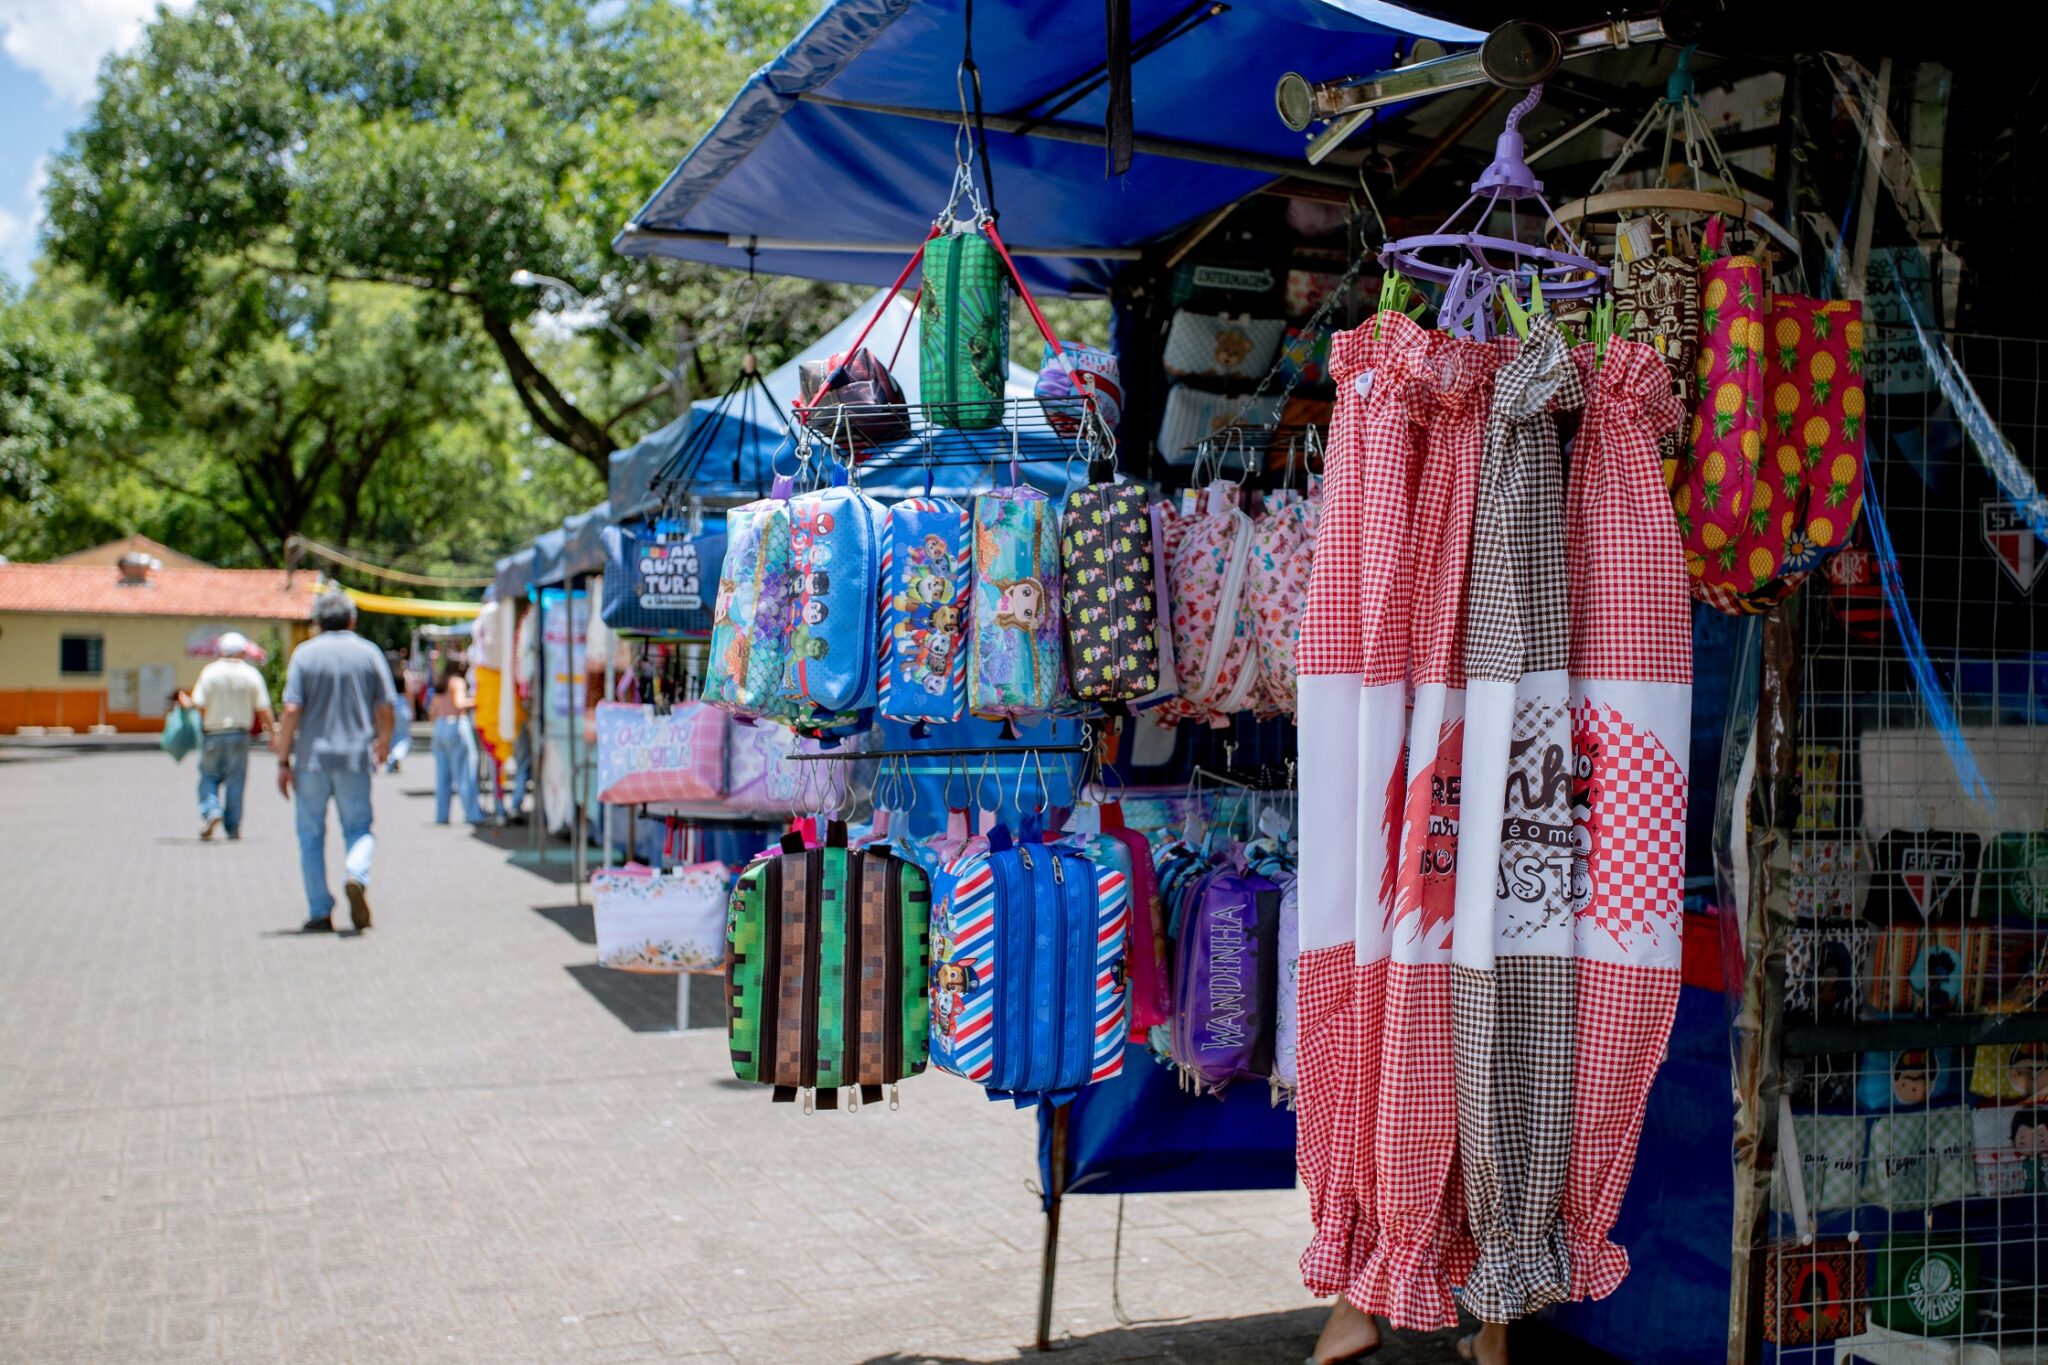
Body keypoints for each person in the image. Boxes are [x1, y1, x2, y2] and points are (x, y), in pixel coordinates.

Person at [274, 592, 394, 932]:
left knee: (310, 836)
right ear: (352, 620)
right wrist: (383, 742)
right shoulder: (368, 652)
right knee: (358, 828)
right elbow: (386, 706)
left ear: (317, 622)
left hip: (311, 760)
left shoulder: (304, 654)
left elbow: (292, 709)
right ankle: (356, 873)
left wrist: (283, 759)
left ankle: (319, 909)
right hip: (356, 757)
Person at [180, 632, 273, 841]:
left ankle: (212, 811)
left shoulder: (210, 672)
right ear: (242, 652)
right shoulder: (251, 674)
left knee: (208, 776)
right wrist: (274, 734)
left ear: (220, 651)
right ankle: (233, 827)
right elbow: (263, 708)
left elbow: (197, 703)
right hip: (240, 735)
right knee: (236, 781)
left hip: (213, 734)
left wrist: (184, 702)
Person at [430, 659, 485, 825]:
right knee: (465, 773)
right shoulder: (457, 682)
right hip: (456, 724)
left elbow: (433, 710)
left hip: (439, 727)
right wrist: (478, 700)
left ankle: (441, 815)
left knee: (442, 776)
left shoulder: (441, 682)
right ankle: (473, 814)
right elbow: (460, 703)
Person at [382, 648, 411, 772]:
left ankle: (391, 758)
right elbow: (408, 691)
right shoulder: (403, 673)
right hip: (401, 703)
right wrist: (412, 708)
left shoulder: (383, 674)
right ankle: (395, 756)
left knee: (390, 734)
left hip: (387, 704)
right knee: (403, 734)